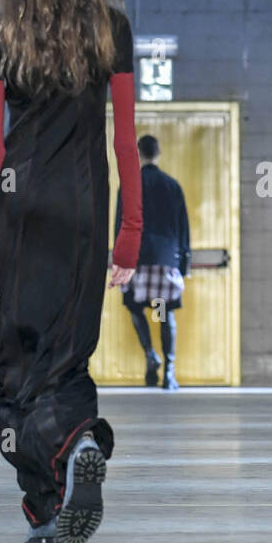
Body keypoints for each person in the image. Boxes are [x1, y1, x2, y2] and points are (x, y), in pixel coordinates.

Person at [0, 0, 142, 543]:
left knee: (16, 367)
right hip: (83, 209)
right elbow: (126, 142)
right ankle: (81, 441)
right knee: (66, 356)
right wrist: (129, 233)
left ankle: (45, 507)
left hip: (19, 209)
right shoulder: (111, 30)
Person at [116, 135, 190, 391]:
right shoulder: (172, 186)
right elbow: (183, 228)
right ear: (158, 153)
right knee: (163, 311)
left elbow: (121, 224)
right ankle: (168, 372)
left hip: (138, 260)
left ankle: (150, 354)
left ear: (139, 153)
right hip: (165, 260)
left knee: (135, 307)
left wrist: (119, 261)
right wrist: (183, 264)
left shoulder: (129, 186)